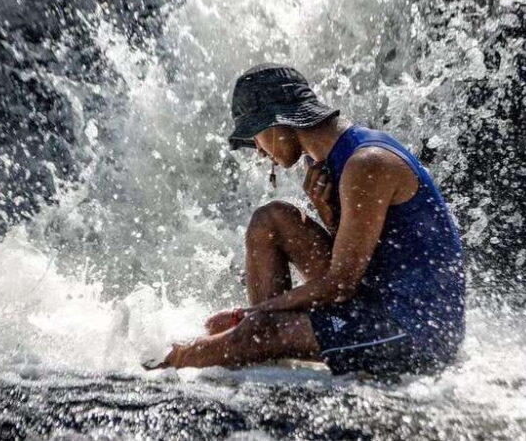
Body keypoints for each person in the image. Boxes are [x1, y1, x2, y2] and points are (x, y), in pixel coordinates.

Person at [150, 63, 465, 375]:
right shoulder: (335, 157)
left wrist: (247, 315)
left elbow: (341, 284)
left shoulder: (366, 162)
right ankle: (264, 344)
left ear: (276, 121)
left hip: (416, 331)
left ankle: (157, 365)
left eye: (255, 135)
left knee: (259, 332)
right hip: (376, 299)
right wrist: (328, 214)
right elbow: (367, 261)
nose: (259, 151)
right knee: (270, 220)